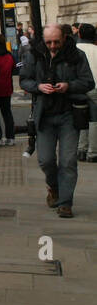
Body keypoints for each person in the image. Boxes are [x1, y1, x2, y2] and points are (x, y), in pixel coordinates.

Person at [19, 24, 95, 219]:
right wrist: (38, 87)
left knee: (68, 161)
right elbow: (24, 80)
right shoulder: (34, 55)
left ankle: (65, 203)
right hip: (44, 115)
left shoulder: (76, 55)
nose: (53, 46)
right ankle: (54, 187)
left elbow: (88, 82)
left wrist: (68, 86)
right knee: (45, 160)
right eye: (49, 42)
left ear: (64, 38)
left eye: (56, 42)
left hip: (69, 115)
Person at [73, 24, 97, 161]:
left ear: (80, 35)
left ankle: (81, 149)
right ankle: (93, 153)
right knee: (94, 119)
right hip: (95, 88)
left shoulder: (75, 49)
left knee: (81, 118)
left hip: (79, 87)